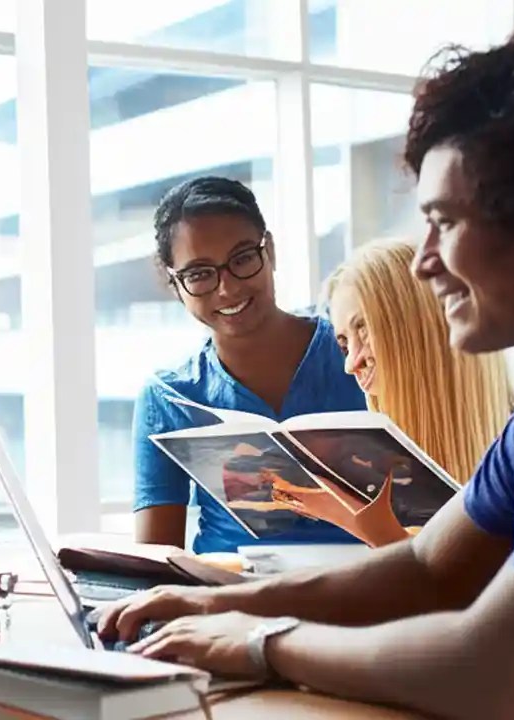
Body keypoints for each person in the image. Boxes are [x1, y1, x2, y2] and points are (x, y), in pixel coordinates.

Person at [98, 28, 514, 719]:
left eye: (443, 222)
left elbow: (496, 672)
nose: (423, 261)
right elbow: (428, 570)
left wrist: (261, 640)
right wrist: (219, 603)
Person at [133, 177, 366, 553]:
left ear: (269, 251)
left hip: (370, 590)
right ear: (174, 284)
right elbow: (157, 560)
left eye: (242, 258)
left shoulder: (353, 347)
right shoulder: (169, 396)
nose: (227, 288)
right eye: (199, 274)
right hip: (230, 595)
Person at [321, 237, 514, 485]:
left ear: (418, 329)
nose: (350, 364)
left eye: (363, 327)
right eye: (344, 344)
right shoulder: (378, 473)